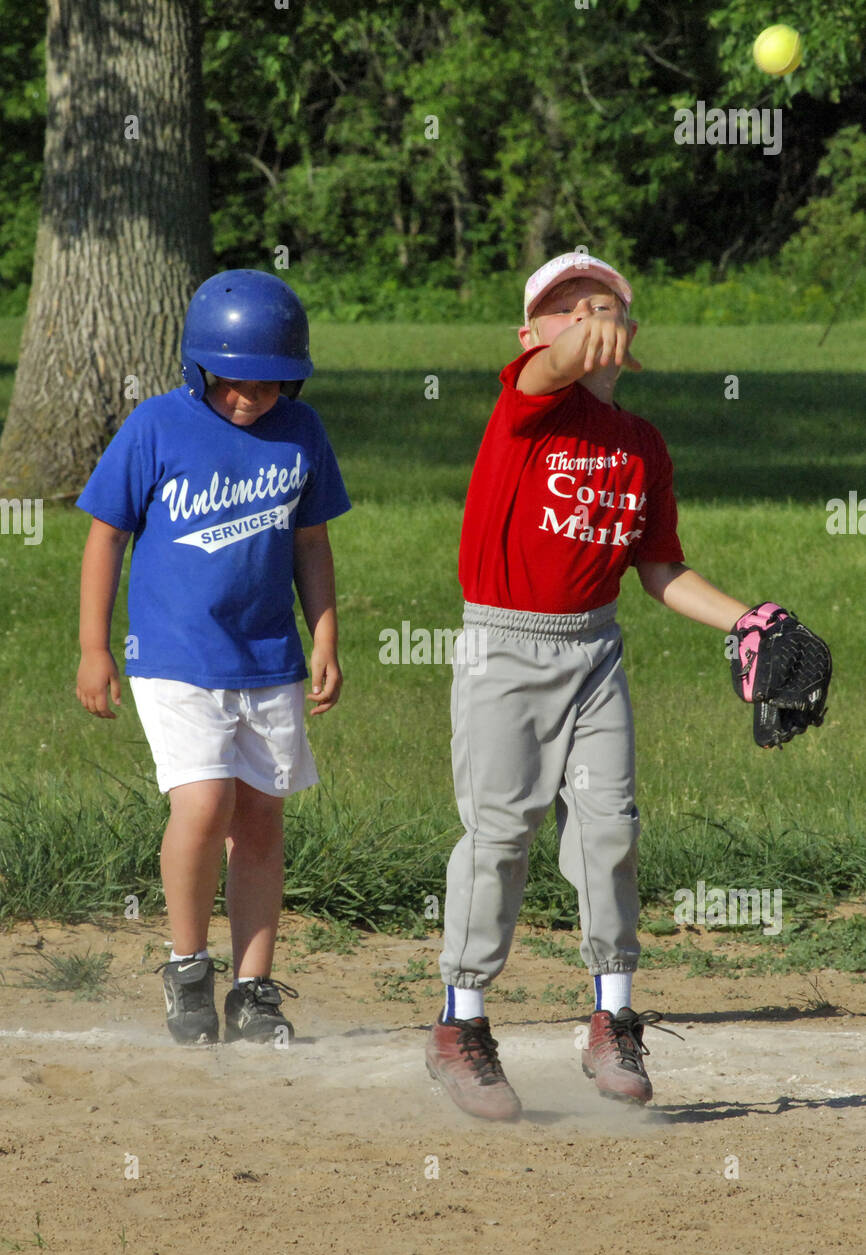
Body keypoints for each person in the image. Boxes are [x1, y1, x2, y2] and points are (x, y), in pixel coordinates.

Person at [426, 250, 791, 1119]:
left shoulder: (641, 445)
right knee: (500, 836)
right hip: (503, 651)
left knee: (610, 830)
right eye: (565, 308)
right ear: (529, 335)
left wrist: (751, 621)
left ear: (629, 337)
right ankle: (461, 1024)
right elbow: (556, 366)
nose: (586, 319)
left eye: (604, 307)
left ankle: (612, 1016)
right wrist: (572, 343)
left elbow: (661, 568)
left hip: (594, 653)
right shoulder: (526, 405)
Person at [75, 269, 350, 1046]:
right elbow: (106, 534)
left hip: (268, 657)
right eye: (232, 383)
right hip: (174, 656)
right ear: (197, 367)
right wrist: (95, 647)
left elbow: (311, 541)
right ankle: (189, 966)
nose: (248, 399)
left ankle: (254, 990)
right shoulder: (156, 427)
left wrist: (324, 632)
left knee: (261, 818)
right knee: (204, 807)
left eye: (268, 385)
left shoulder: (302, 433)